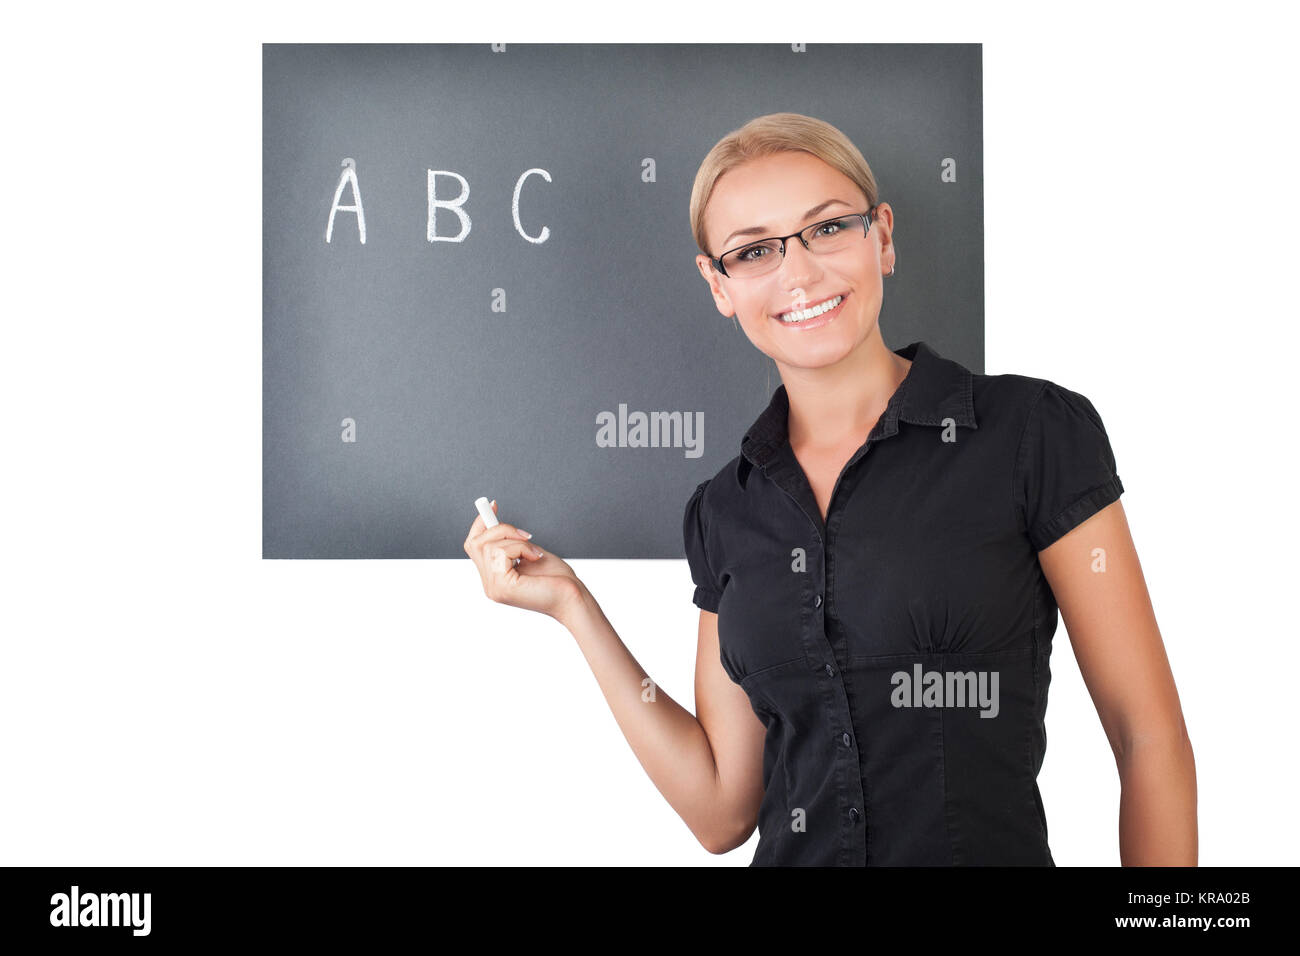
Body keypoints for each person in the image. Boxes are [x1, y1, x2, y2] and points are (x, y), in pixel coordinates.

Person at [464, 112, 1196, 866]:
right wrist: (573, 608)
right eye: (754, 251)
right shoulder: (725, 511)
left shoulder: (1032, 434)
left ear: (880, 236)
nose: (800, 274)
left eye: (827, 229)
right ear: (719, 285)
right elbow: (721, 811)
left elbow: (1148, 736)